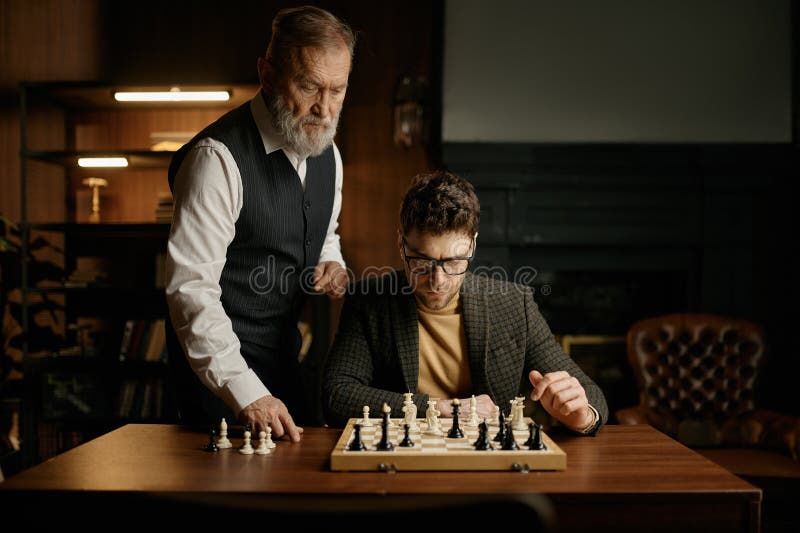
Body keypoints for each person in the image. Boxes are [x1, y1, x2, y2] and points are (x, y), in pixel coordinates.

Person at [166, 6, 354, 442]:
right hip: (218, 386)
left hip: (286, 368)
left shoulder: (329, 155)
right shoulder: (216, 160)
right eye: (309, 87)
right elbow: (189, 291)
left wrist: (332, 261)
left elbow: (326, 232)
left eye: (338, 90)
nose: (324, 110)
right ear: (267, 75)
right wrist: (246, 392)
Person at [323, 170, 608, 434]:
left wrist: (582, 416)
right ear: (401, 244)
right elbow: (337, 395)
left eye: (454, 261)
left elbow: (592, 396)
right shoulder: (369, 300)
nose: (438, 280)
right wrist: (443, 409)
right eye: (422, 261)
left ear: (472, 245)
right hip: (402, 459)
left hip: (490, 464)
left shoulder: (512, 304)